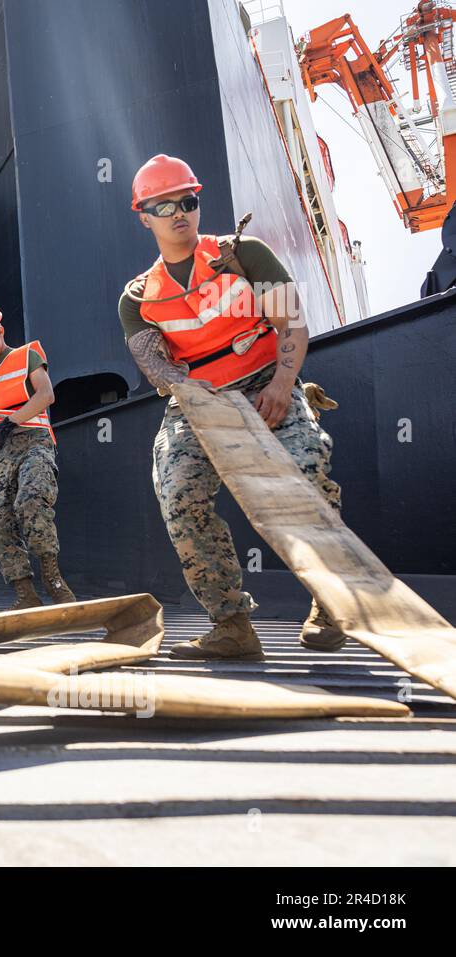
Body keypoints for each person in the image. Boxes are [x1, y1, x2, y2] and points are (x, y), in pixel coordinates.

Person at [121, 154, 342, 660]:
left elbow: (292, 324)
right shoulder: (137, 298)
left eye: (188, 201)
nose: (179, 212)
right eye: (164, 205)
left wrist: (285, 384)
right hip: (197, 403)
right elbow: (157, 369)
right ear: (144, 216)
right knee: (179, 494)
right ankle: (232, 624)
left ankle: (331, 601)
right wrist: (204, 405)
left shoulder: (245, 255)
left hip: (269, 381)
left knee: (306, 473)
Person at [0, 300, 75, 609]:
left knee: (32, 499)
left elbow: (46, 394)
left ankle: (52, 578)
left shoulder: (27, 356)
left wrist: (10, 422)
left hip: (33, 441)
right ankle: (25, 593)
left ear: (0, 330)